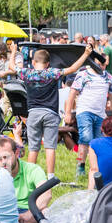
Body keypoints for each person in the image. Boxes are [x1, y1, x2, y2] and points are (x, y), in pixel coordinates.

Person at [20, 46, 90, 178]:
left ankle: (30, 176)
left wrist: (13, 52)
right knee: (50, 147)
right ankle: (50, 176)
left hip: (33, 113)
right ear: (47, 64)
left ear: (34, 62)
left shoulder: (26, 73)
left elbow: (12, 66)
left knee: (33, 148)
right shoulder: (51, 72)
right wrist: (85, 54)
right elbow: (73, 69)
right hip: (50, 113)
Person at [62, 56, 112, 170]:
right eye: (99, 63)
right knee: (86, 137)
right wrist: (67, 113)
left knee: (99, 141)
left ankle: (97, 167)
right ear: (93, 62)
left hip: (100, 114)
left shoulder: (108, 77)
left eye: (103, 63)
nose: (101, 66)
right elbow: (72, 93)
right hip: (84, 111)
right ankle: (80, 164)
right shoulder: (83, 74)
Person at [0, 138, 50, 223]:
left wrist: (28, 214)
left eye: (6, 157)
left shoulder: (32, 169)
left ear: (16, 154)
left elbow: (46, 195)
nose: (3, 162)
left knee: (46, 212)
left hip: (28, 211)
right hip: (5, 213)